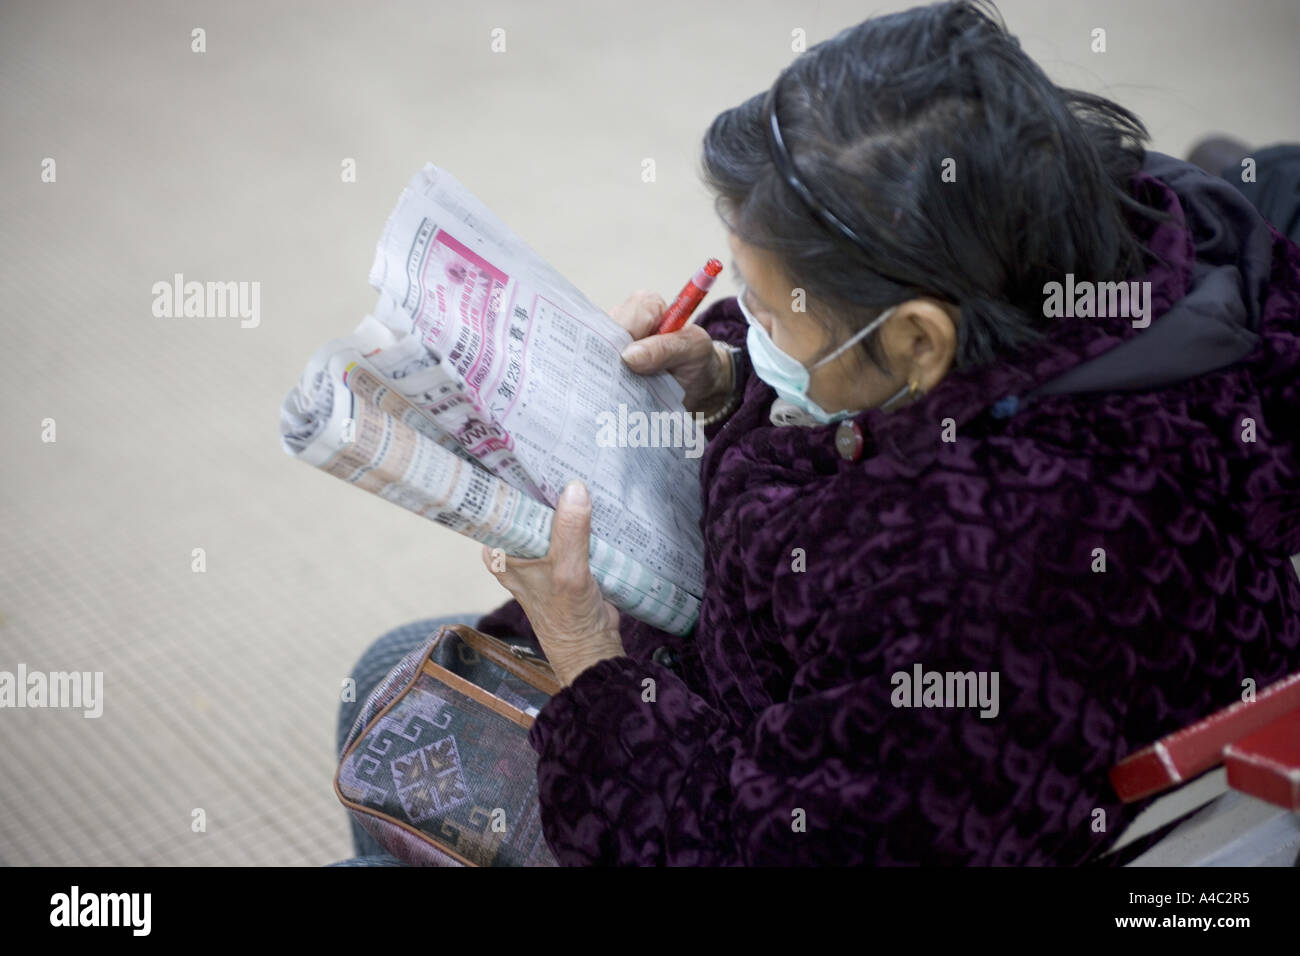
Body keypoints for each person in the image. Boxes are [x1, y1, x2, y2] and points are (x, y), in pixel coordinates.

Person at [332, 0, 1300, 866]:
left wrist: (587, 654)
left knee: (388, 715)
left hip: (741, 771)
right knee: (388, 686)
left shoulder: (978, 580)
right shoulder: (1087, 247)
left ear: (918, 339)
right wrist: (723, 378)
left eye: (764, 304)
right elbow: (844, 397)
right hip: (764, 687)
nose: (743, 319)